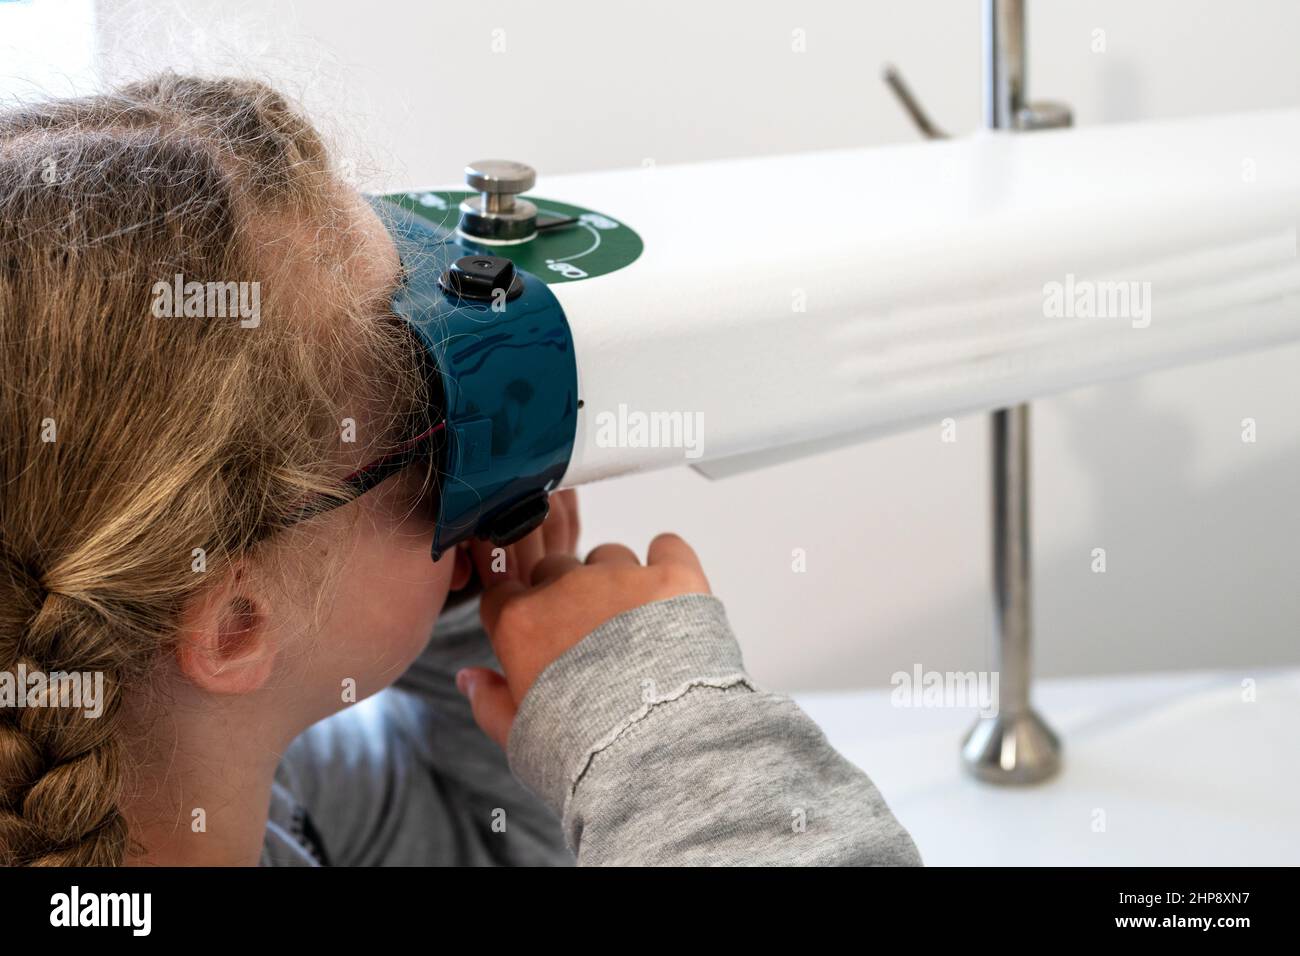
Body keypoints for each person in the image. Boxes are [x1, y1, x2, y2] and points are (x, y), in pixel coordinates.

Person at [0, 74, 920, 867]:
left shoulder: (219, 799)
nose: (470, 463)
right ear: (236, 624)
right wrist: (663, 732)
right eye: (423, 414)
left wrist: (449, 629)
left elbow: (468, 848)